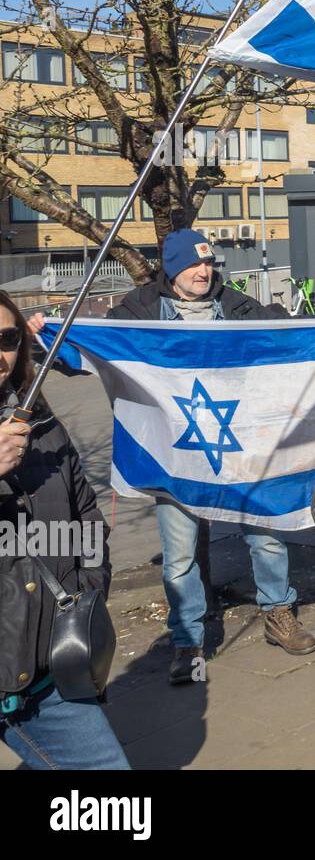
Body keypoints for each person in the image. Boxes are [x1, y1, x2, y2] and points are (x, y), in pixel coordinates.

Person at [93, 229, 315, 683]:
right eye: (193, 264)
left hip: (246, 447)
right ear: (172, 267)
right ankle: (187, 639)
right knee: (180, 552)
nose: (204, 272)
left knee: (265, 534)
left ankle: (278, 613)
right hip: (178, 453)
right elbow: (94, 345)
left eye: (209, 265)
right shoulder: (139, 310)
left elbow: (290, 331)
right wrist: (43, 335)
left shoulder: (238, 306)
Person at [1, 290, 130, 769]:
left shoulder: (42, 422)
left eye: (7, 337)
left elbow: (85, 518)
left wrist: (85, 596)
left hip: (47, 673)